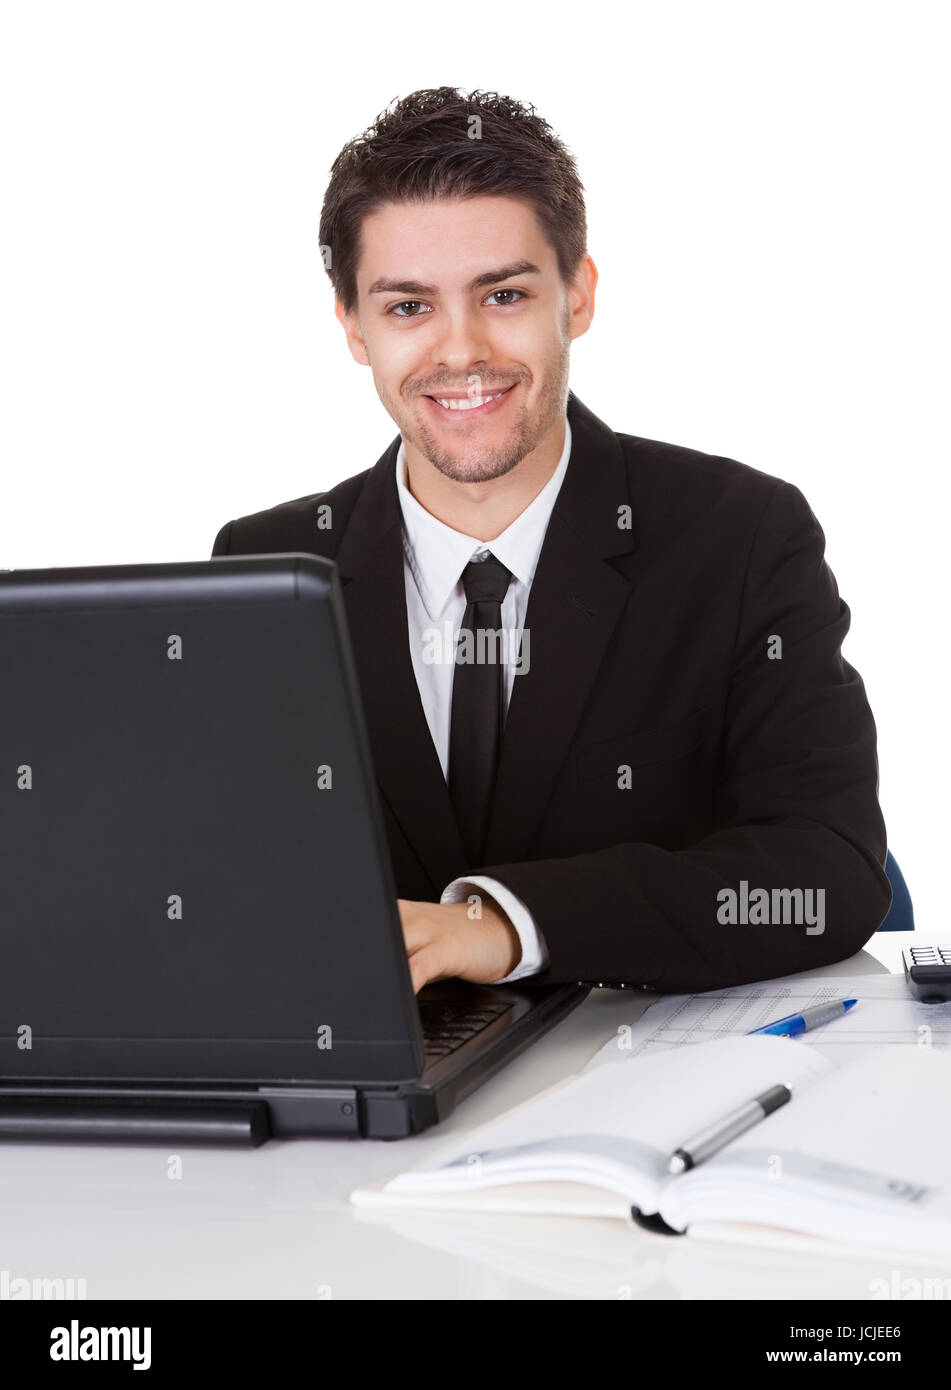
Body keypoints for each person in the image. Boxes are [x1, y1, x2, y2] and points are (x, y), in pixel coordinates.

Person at [213, 87, 890, 995]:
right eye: (408, 307)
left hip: (644, 1084)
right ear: (353, 328)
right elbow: (226, 876)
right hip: (378, 1097)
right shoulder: (270, 564)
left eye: (502, 293)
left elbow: (824, 876)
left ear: (577, 296)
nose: (460, 352)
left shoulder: (737, 533)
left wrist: (499, 927)